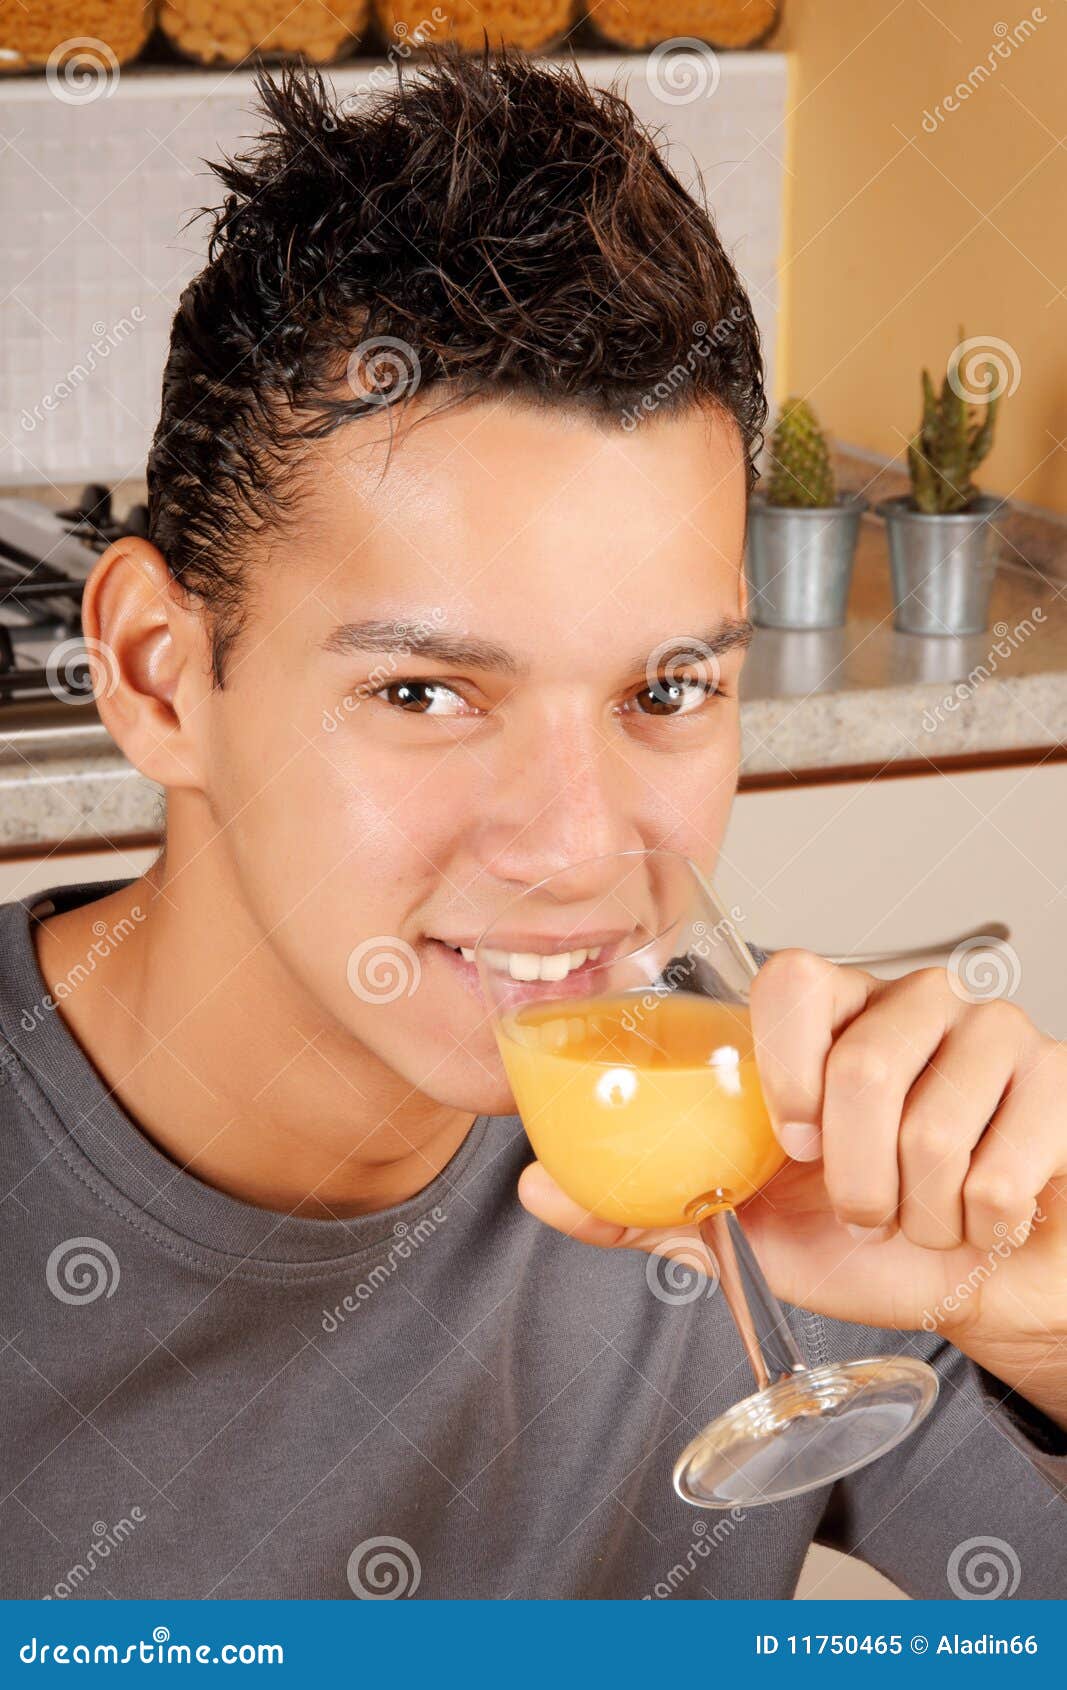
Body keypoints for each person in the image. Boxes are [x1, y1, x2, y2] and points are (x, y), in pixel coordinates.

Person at [1, 49, 1064, 1602]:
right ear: (163, 675)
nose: (580, 853)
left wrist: (1046, 1329)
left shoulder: (784, 1161)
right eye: (427, 693)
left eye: (670, 685)